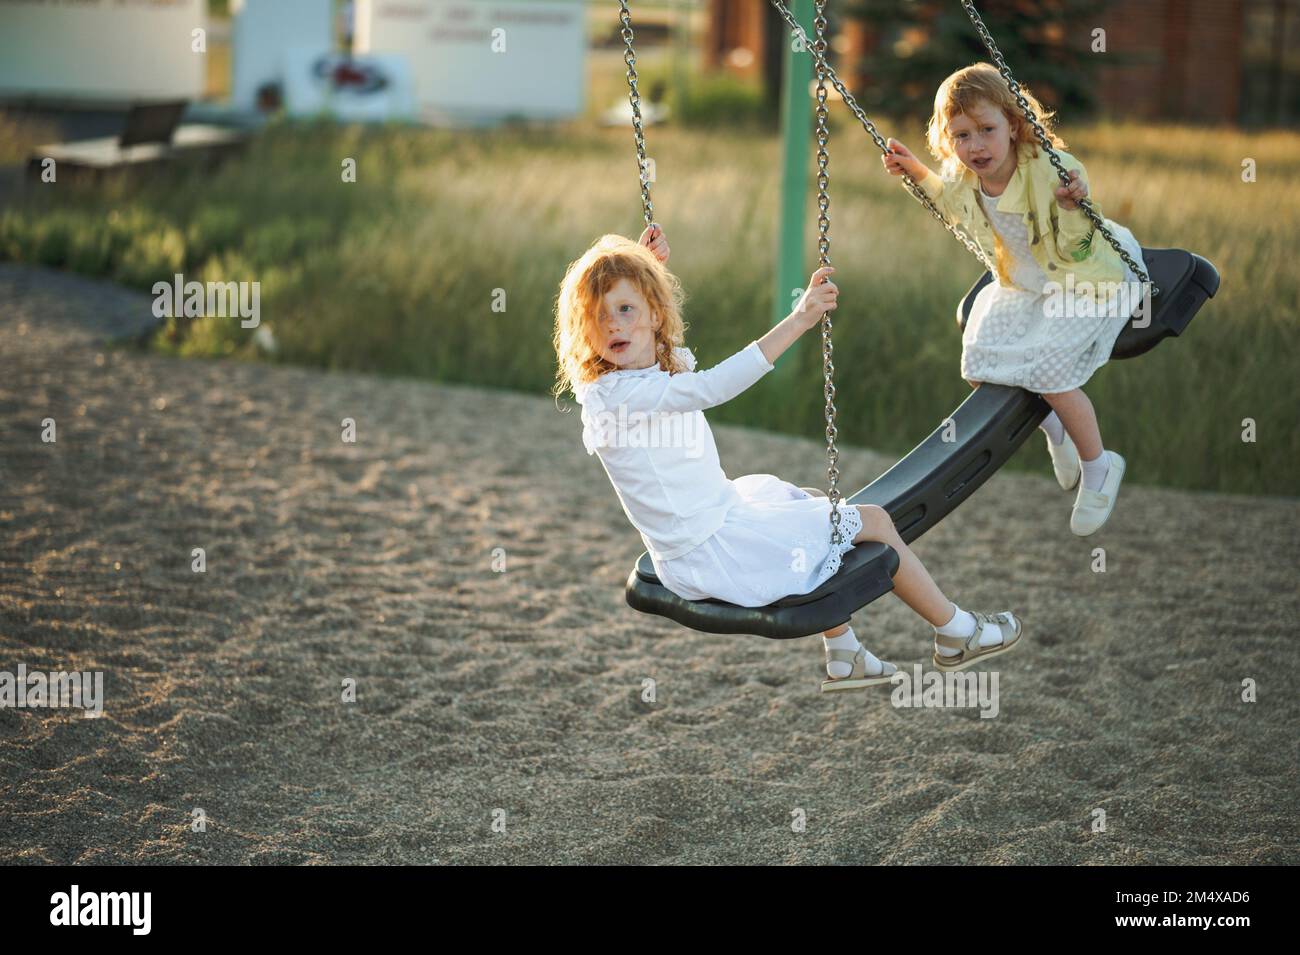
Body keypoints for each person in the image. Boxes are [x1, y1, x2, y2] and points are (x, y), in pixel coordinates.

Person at [551, 226, 1022, 687]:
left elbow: (658, 353)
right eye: (598, 316)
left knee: (811, 499)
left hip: (720, 516)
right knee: (874, 520)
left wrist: (646, 264)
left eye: (626, 309)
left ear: (654, 315)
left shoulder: (641, 373)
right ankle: (956, 632)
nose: (613, 323)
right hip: (709, 549)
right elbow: (713, 386)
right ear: (584, 335)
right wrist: (799, 320)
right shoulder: (616, 396)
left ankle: (845, 654)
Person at [883, 62, 1147, 535]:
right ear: (947, 138)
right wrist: (917, 172)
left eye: (987, 129)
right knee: (980, 362)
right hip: (1024, 282)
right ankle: (1057, 428)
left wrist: (1071, 206)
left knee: (1049, 369)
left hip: (1082, 277)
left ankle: (1100, 464)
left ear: (1014, 123)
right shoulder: (965, 177)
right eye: (961, 135)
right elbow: (951, 203)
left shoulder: (1053, 172)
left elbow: (1080, 244)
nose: (976, 146)